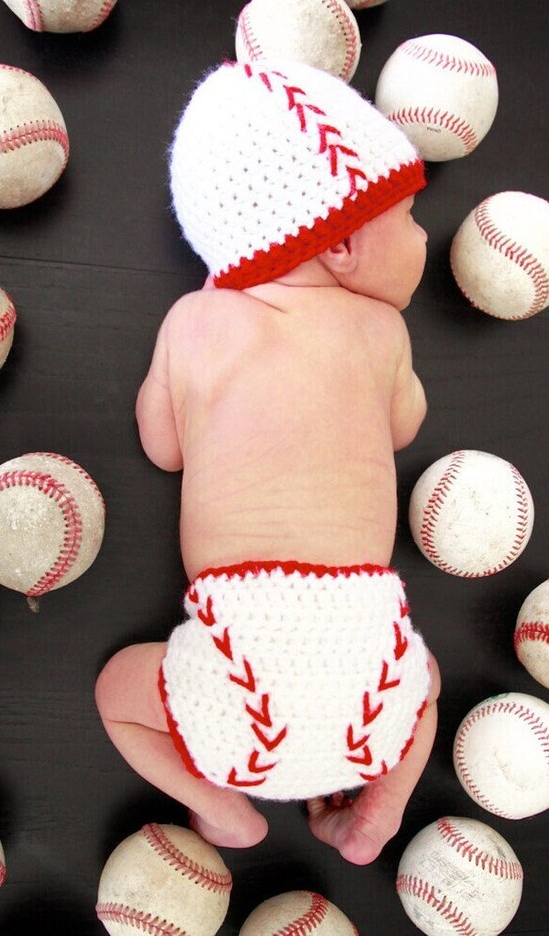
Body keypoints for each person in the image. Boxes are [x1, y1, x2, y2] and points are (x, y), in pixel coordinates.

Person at [95, 58, 441, 867]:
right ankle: (376, 812)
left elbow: (162, 445)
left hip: (235, 680)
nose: (426, 237)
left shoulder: (196, 321)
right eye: (412, 215)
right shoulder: (380, 335)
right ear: (347, 244)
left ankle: (225, 813)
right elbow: (404, 427)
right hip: (373, 688)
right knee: (423, 688)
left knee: (120, 692)